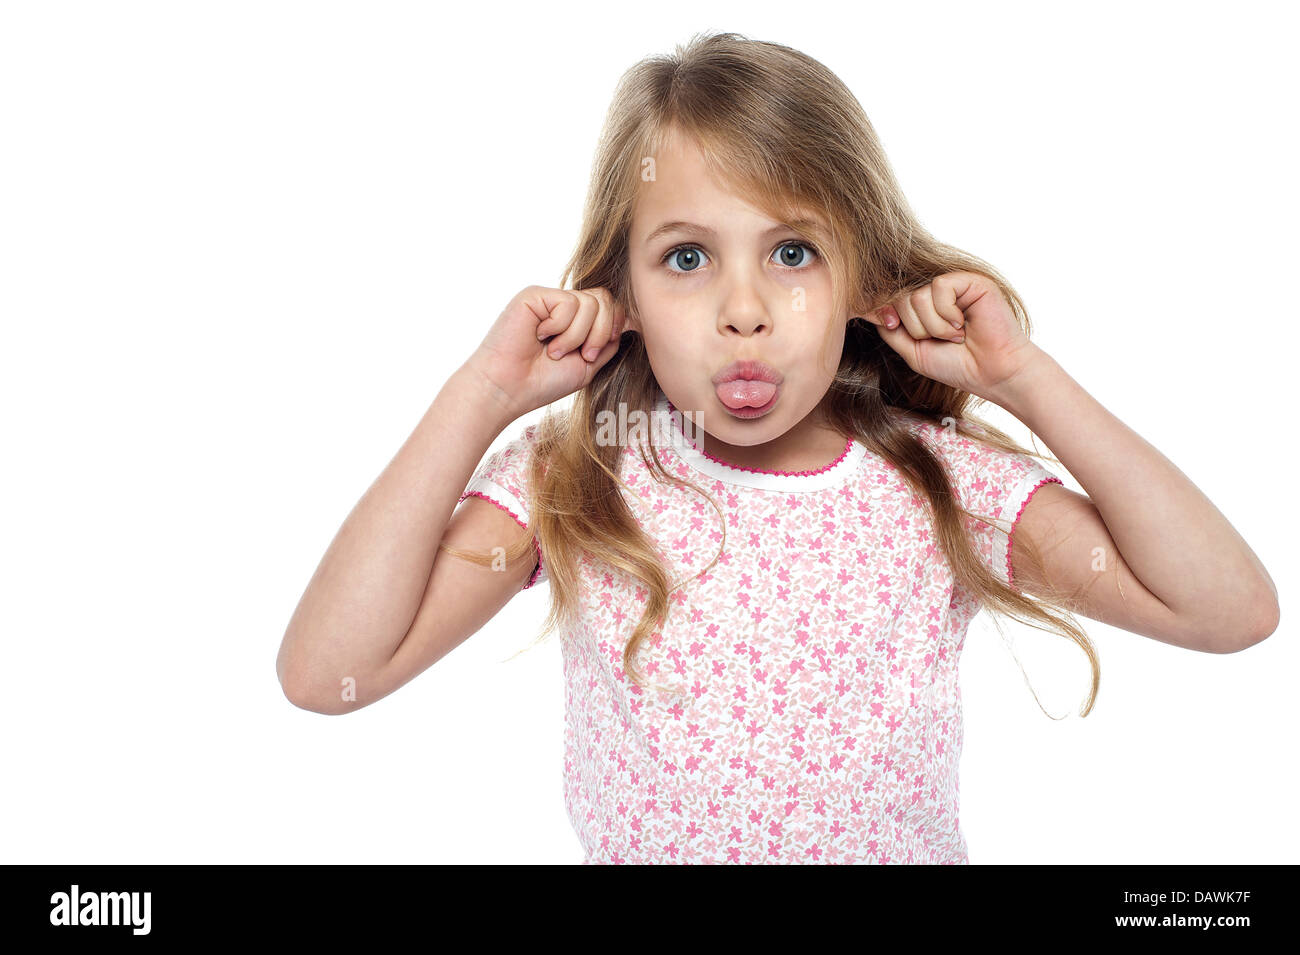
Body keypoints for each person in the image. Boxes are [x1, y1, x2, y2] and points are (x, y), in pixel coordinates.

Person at [276, 31, 1279, 864]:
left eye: (792, 253)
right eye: (685, 258)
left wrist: (1024, 380)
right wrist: (480, 394)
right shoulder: (577, 479)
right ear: (617, 296)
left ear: (858, 276)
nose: (743, 311)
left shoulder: (939, 481)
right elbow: (328, 673)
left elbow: (1228, 610)